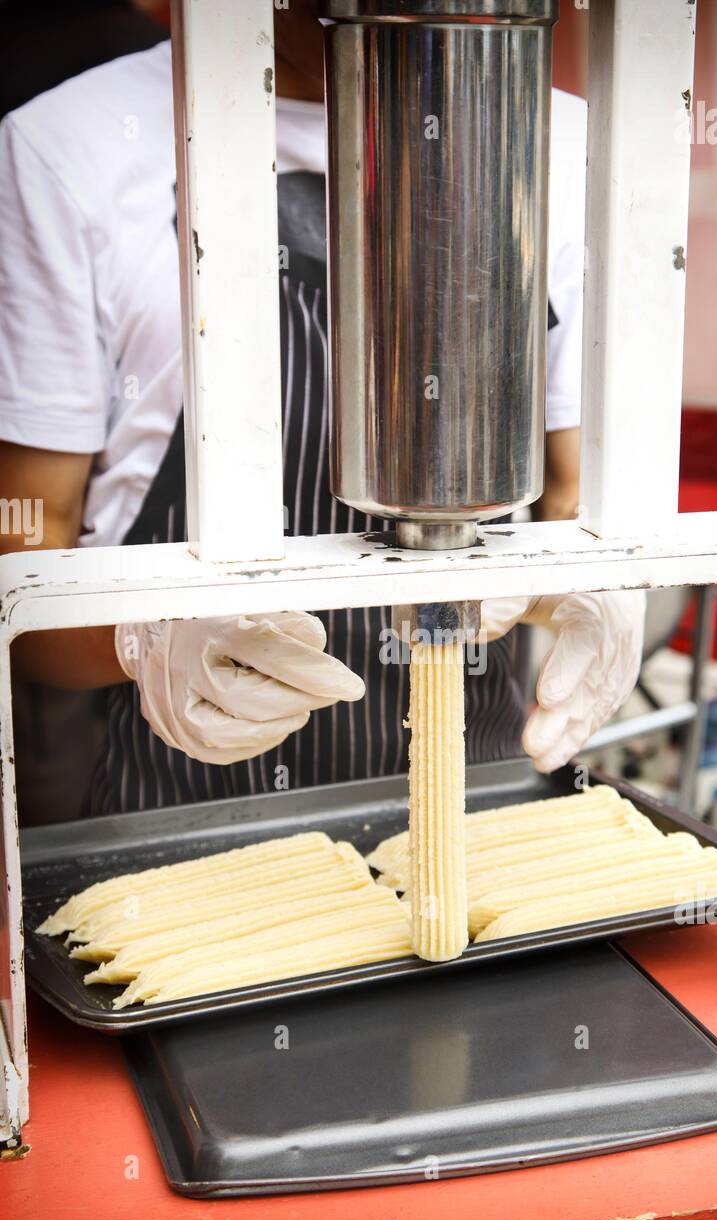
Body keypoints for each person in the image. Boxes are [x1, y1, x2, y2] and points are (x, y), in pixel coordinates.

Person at [0, 3, 644, 817]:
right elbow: (25, 560)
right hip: (182, 811)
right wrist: (146, 638)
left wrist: (594, 584)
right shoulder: (71, 149)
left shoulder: (567, 147)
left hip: (480, 792)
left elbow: (571, 492)